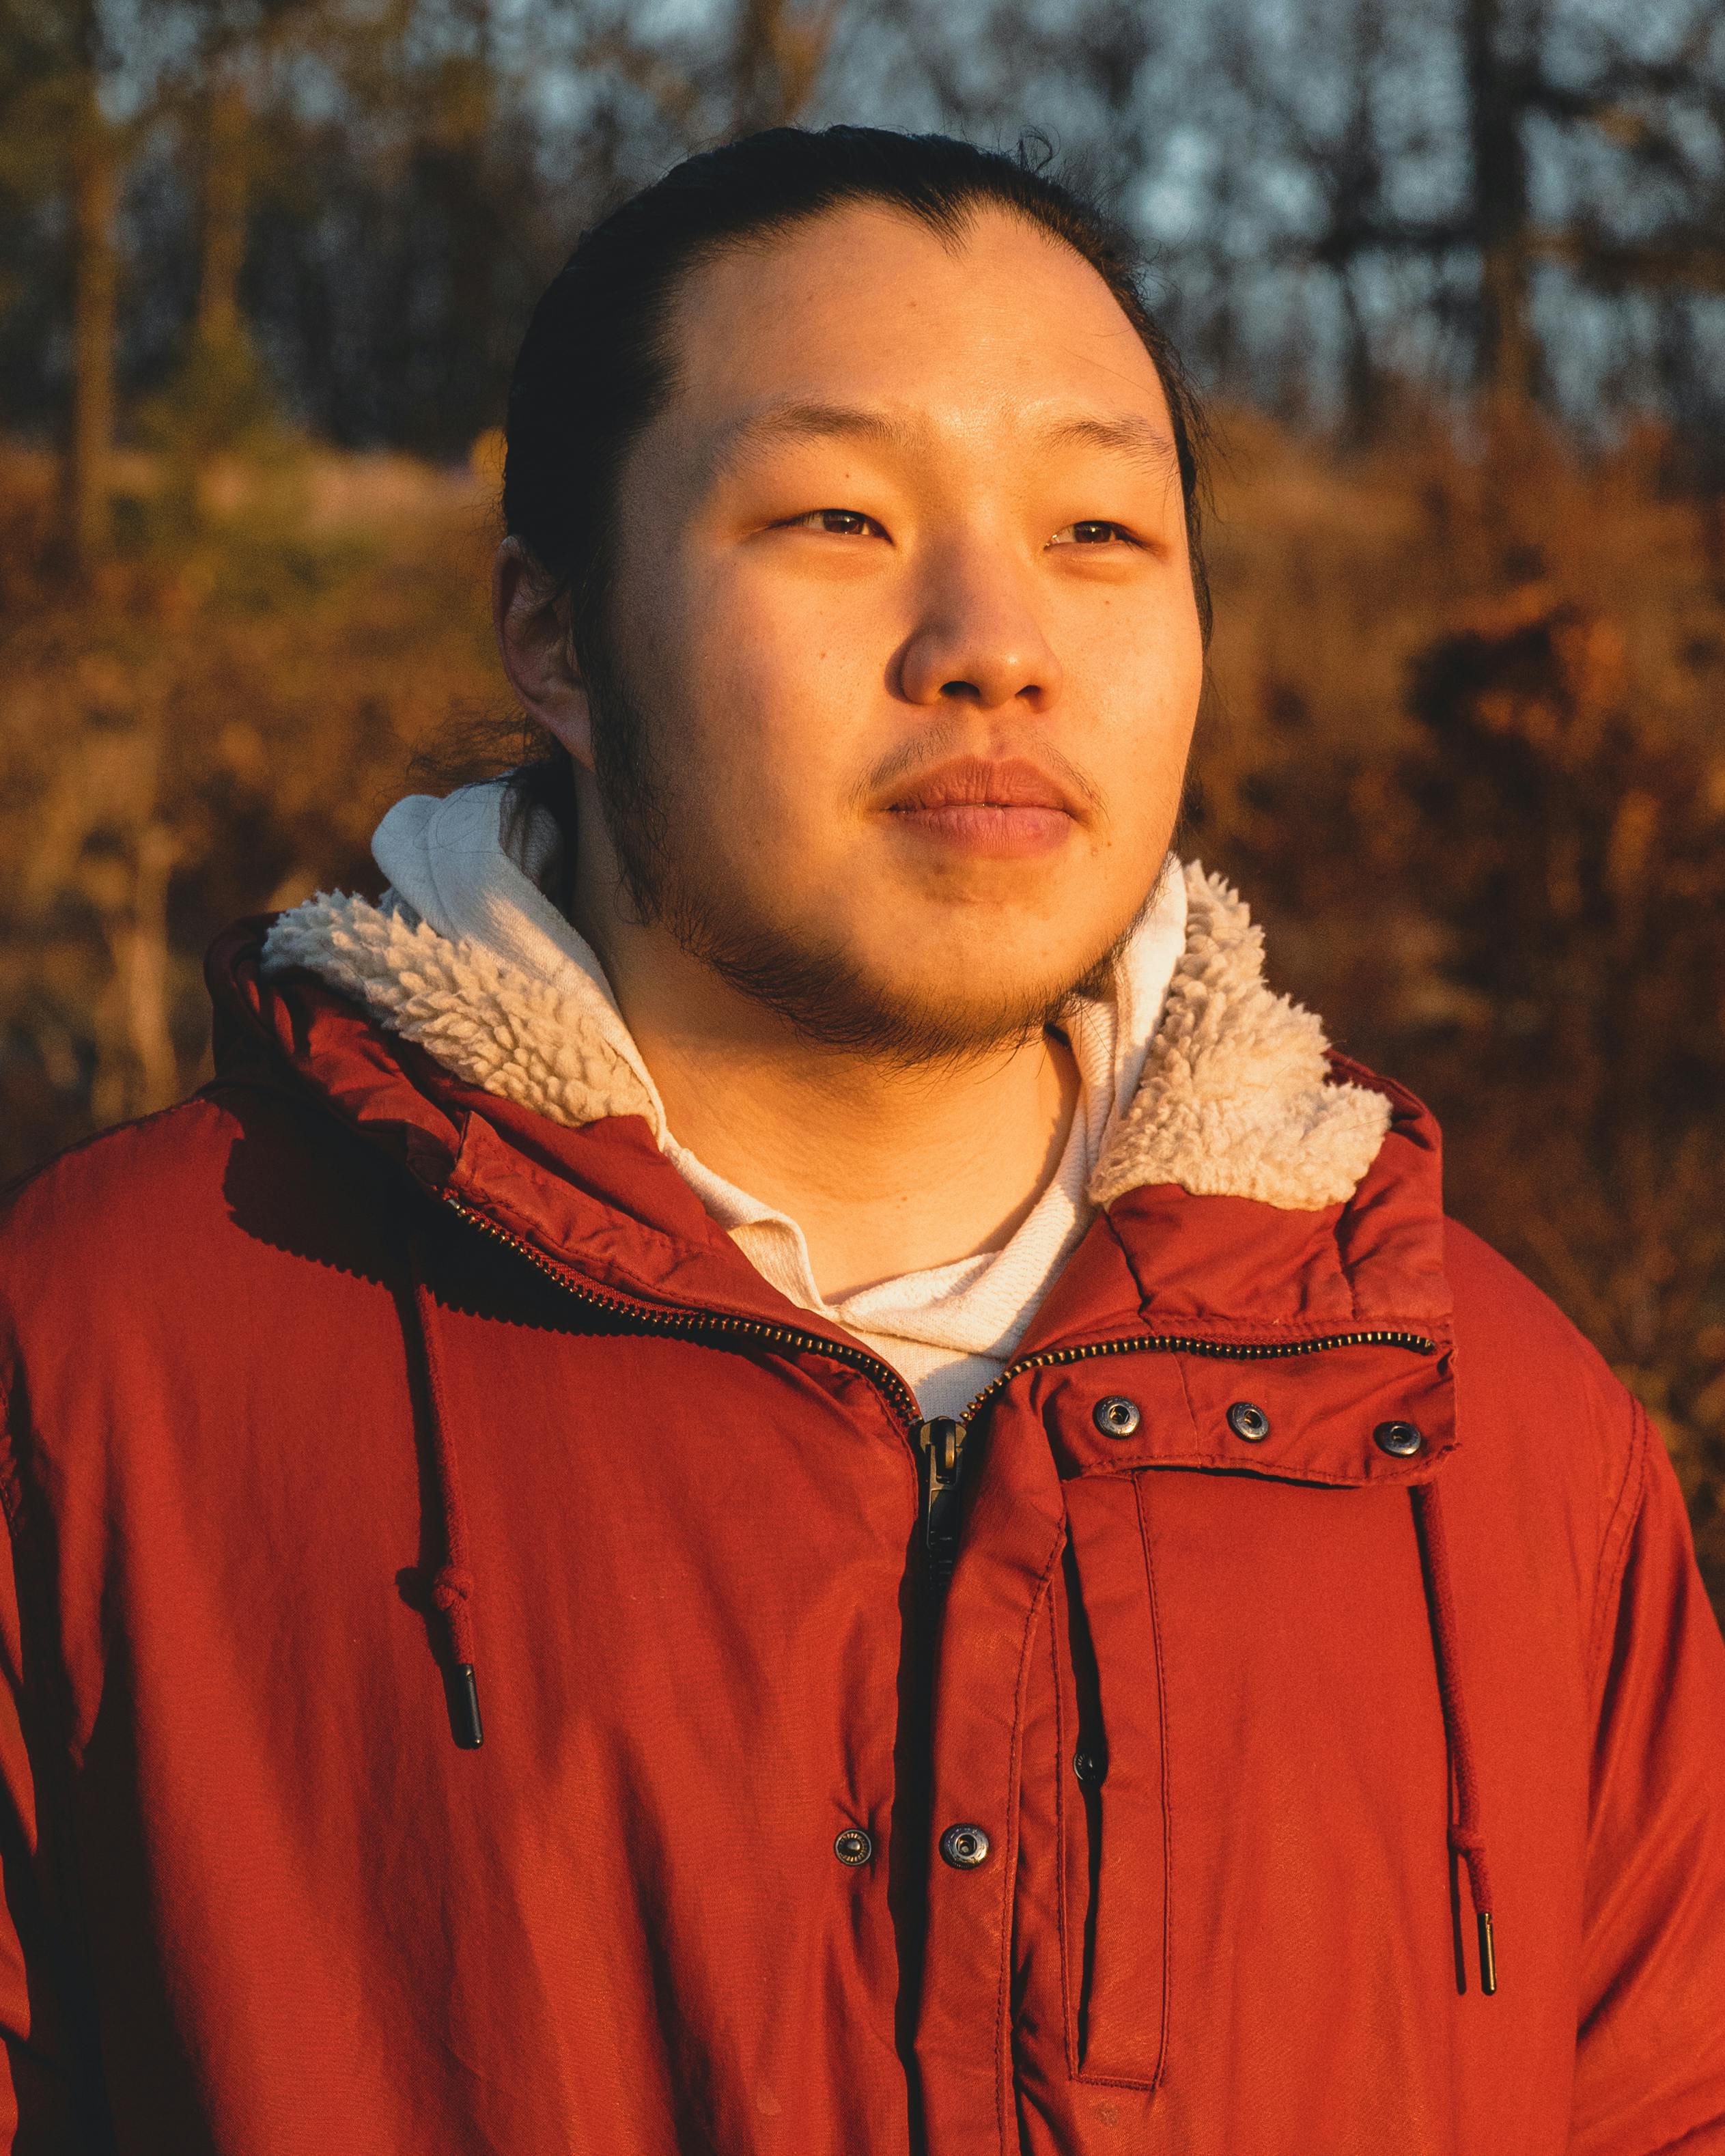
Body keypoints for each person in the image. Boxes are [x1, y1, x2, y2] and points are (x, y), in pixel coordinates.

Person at [1, 125, 1722, 2156]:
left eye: (1099, 530)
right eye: (834, 515)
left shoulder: (1487, 1428)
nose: (996, 640)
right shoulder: (116, 1361)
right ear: (552, 638)